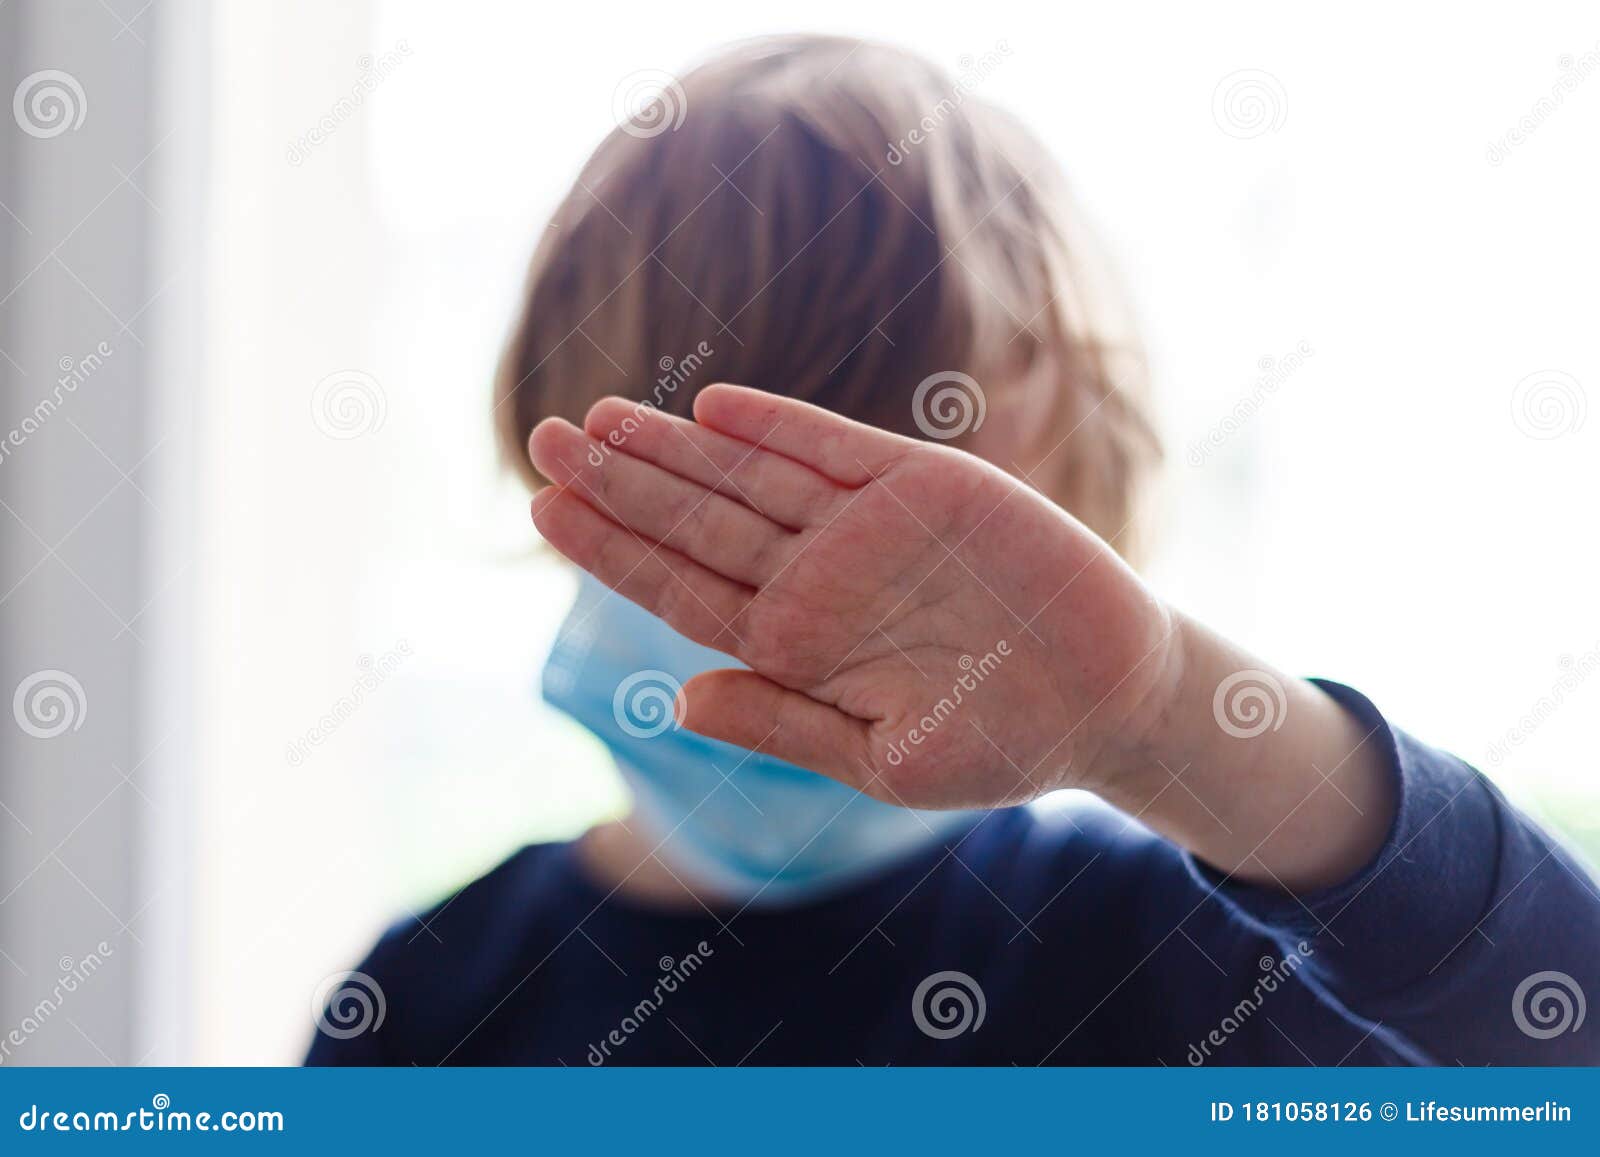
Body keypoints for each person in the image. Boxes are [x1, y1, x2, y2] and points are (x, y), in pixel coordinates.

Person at [308, 34, 1600, 1066]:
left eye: (913, 546)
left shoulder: (1178, 966)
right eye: (721, 493)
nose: (802, 603)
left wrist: (1167, 718)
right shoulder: (434, 1007)